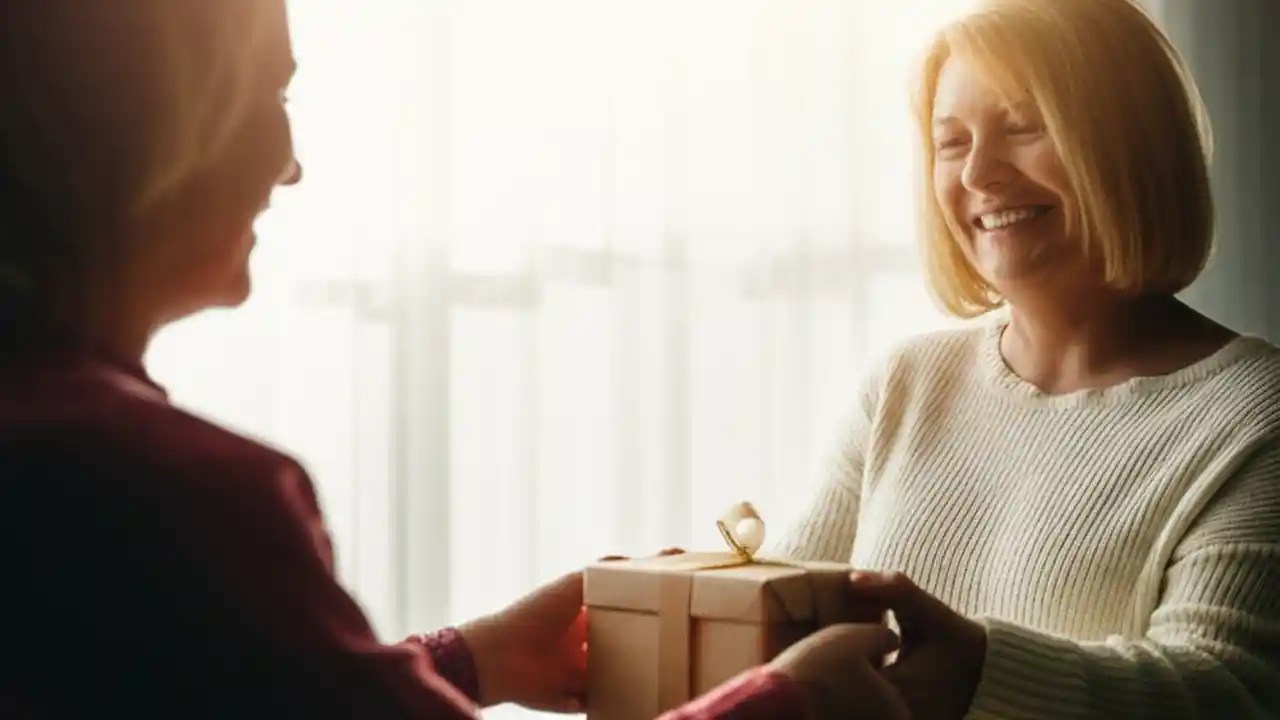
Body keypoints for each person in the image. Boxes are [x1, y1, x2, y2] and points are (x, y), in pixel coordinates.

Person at [0, 3, 905, 718]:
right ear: (155, 119)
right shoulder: (159, 493)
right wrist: (789, 705)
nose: (291, 166)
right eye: (269, 98)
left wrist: (474, 659)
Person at [772, 0, 1280, 717]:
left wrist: (981, 670)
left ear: (1132, 143)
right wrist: (602, 621)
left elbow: (1228, 690)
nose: (979, 173)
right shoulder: (907, 384)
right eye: (952, 142)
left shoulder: (1256, 414)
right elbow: (771, 616)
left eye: (1023, 127)